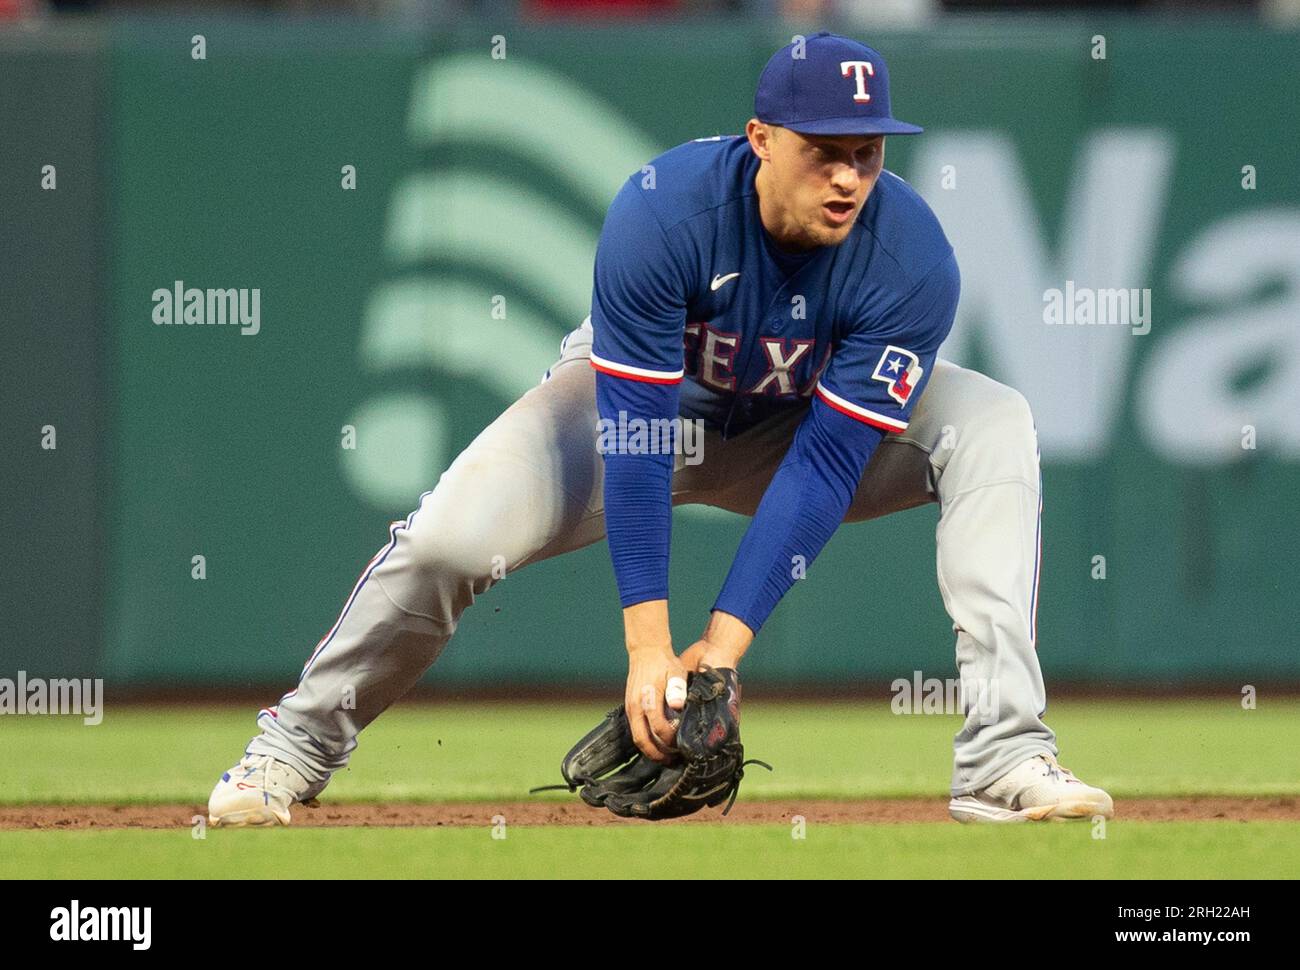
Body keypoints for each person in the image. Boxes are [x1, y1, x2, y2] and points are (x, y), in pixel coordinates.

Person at [208, 32, 1113, 827]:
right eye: (823, 151)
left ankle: (1002, 758)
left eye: (868, 154)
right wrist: (650, 648)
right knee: (450, 540)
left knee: (994, 419)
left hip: (794, 436)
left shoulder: (912, 260)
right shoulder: (664, 212)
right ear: (760, 140)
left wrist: (717, 656)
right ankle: (294, 747)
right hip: (644, 415)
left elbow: (828, 464)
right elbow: (634, 435)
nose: (848, 178)